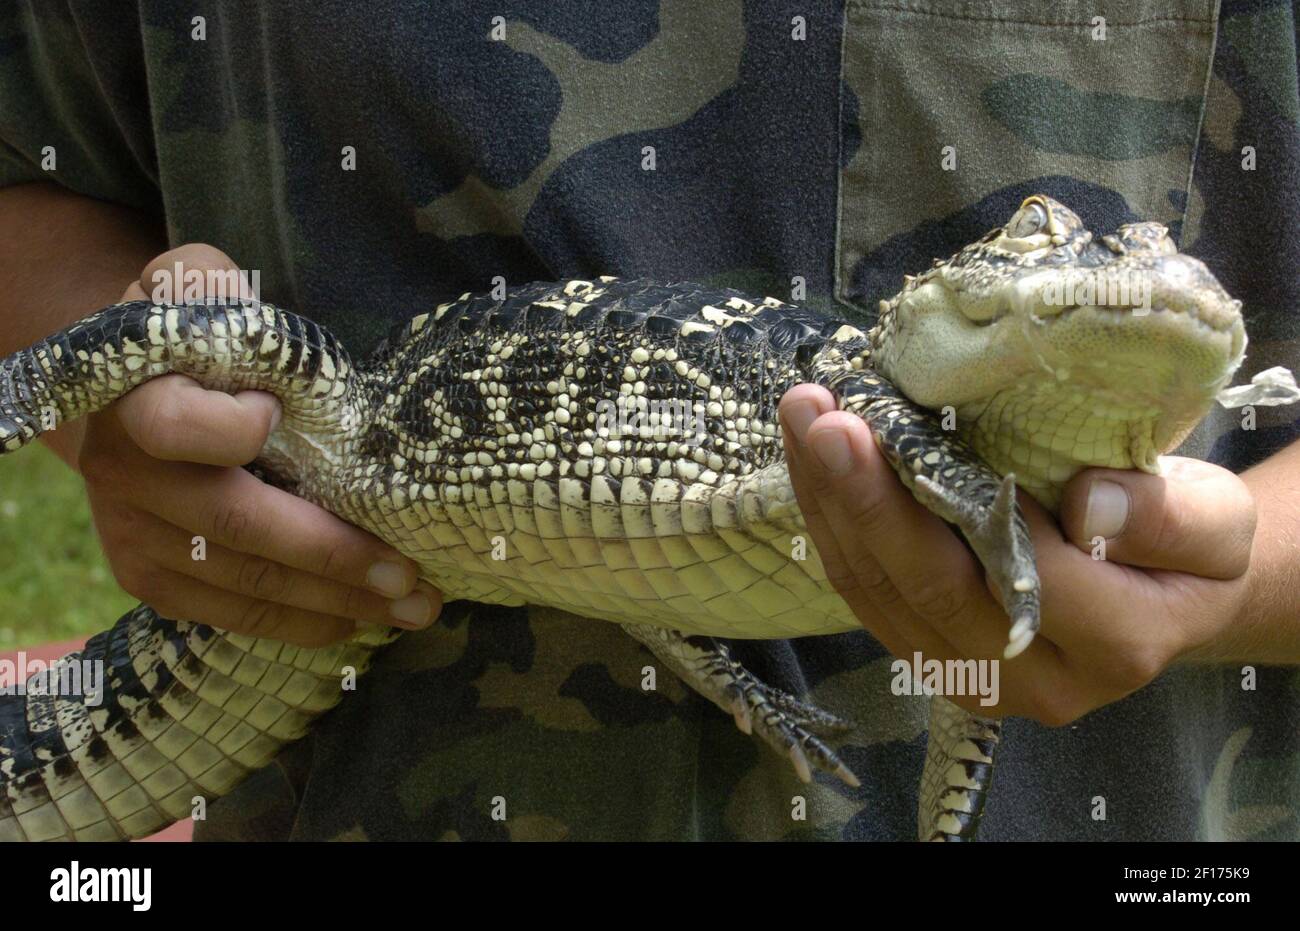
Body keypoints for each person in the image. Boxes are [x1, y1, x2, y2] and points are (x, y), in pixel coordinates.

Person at [1, 1, 1297, 840]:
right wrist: (99, 399)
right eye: (1053, 248)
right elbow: (31, 176)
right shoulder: (893, 398)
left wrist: (1218, 595)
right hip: (339, 540)